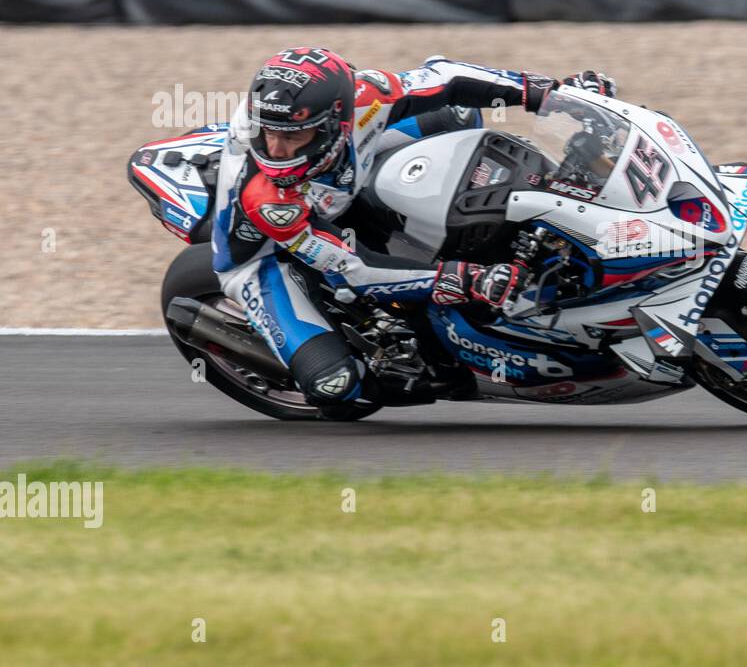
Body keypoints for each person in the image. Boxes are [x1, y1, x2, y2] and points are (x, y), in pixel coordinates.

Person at [211, 46, 615, 412]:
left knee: (457, 114)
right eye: (268, 133)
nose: (276, 151)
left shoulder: (368, 95)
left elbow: (448, 78)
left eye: (293, 136)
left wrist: (549, 94)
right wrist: (465, 278)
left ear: (337, 120)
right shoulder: (268, 200)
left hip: (341, 183)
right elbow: (356, 270)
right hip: (262, 258)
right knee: (337, 388)